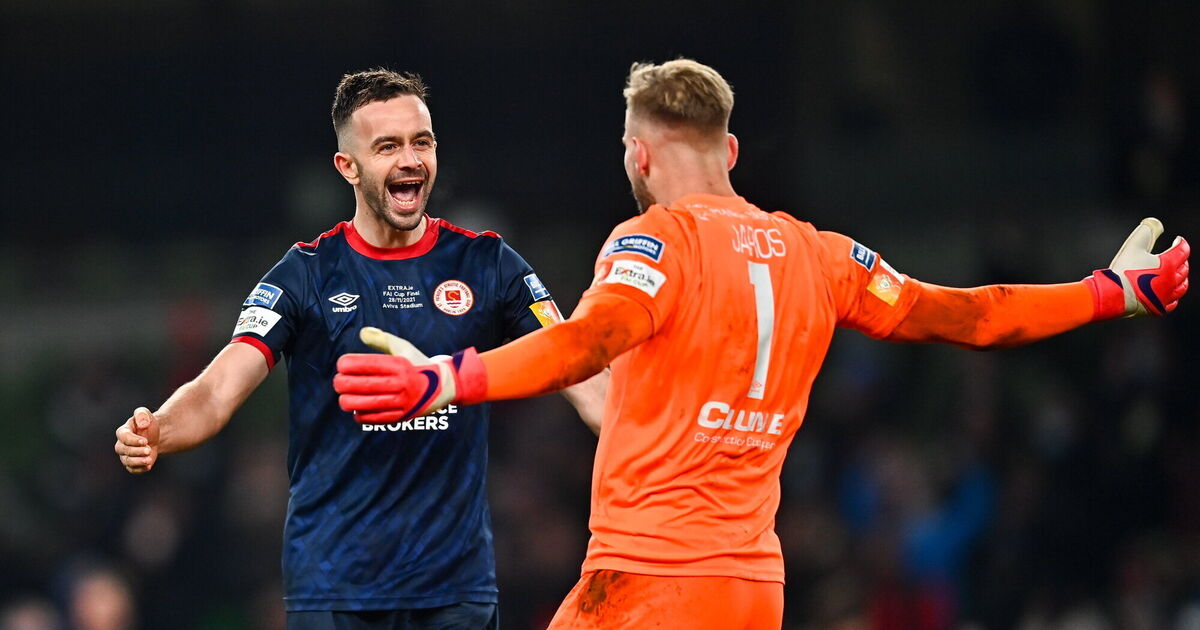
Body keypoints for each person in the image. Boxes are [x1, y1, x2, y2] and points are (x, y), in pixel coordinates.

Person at [331, 59, 1190, 629]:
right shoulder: (823, 255)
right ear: (730, 149)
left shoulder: (655, 242)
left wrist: (448, 378)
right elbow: (969, 314)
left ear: (636, 157)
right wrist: (1105, 293)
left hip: (649, 580)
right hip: (753, 590)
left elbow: (589, 340)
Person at [113, 69, 607, 630]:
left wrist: (674, 438)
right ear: (347, 167)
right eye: (387, 146)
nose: (410, 160)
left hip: (454, 589)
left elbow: (578, 366)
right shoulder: (305, 275)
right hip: (334, 590)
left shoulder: (489, 264)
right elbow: (220, 388)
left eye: (422, 142)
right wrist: (160, 428)